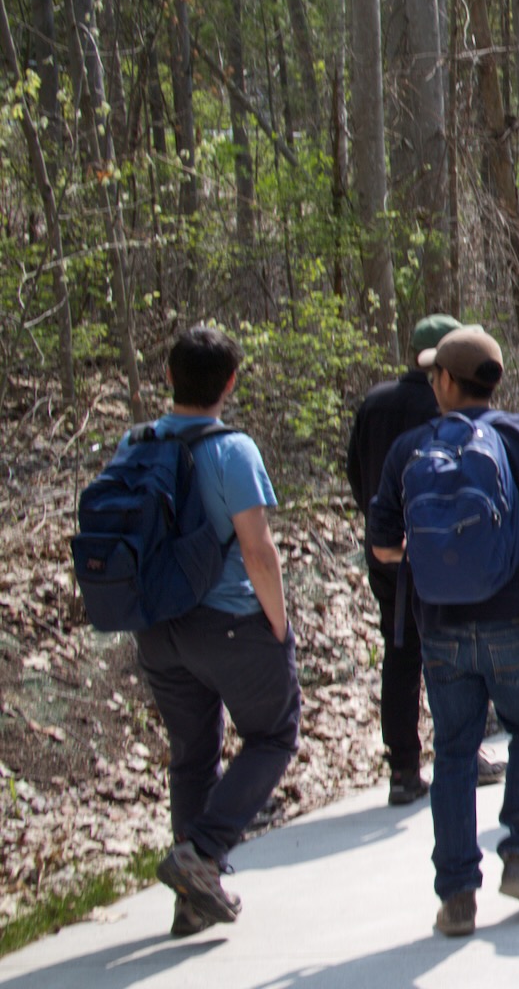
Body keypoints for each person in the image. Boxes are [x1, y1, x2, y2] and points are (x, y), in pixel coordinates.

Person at [369, 325, 519, 937]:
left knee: (455, 752)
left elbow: (383, 546)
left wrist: (430, 557)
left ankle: (457, 896)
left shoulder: (411, 446)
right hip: (513, 617)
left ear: (443, 381)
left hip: (440, 628)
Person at [133, 327, 299, 939]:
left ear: (168, 378)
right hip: (229, 622)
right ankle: (201, 854)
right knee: (274, 734)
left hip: (156, 628)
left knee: (193, 754)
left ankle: (193, 900)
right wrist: (278, 626)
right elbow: (258, 551)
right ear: (231, 382)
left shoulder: (135, 443)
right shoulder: (234, 451)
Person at [345, 314, 503, 804]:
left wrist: (380, 528)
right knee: (451, 653)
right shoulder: (441, 411)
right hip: (441, 552)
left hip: (385, 548)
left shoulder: (375, 402)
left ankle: (403, 769)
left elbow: (355, 473)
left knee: (399, 651)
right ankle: (462, 751)